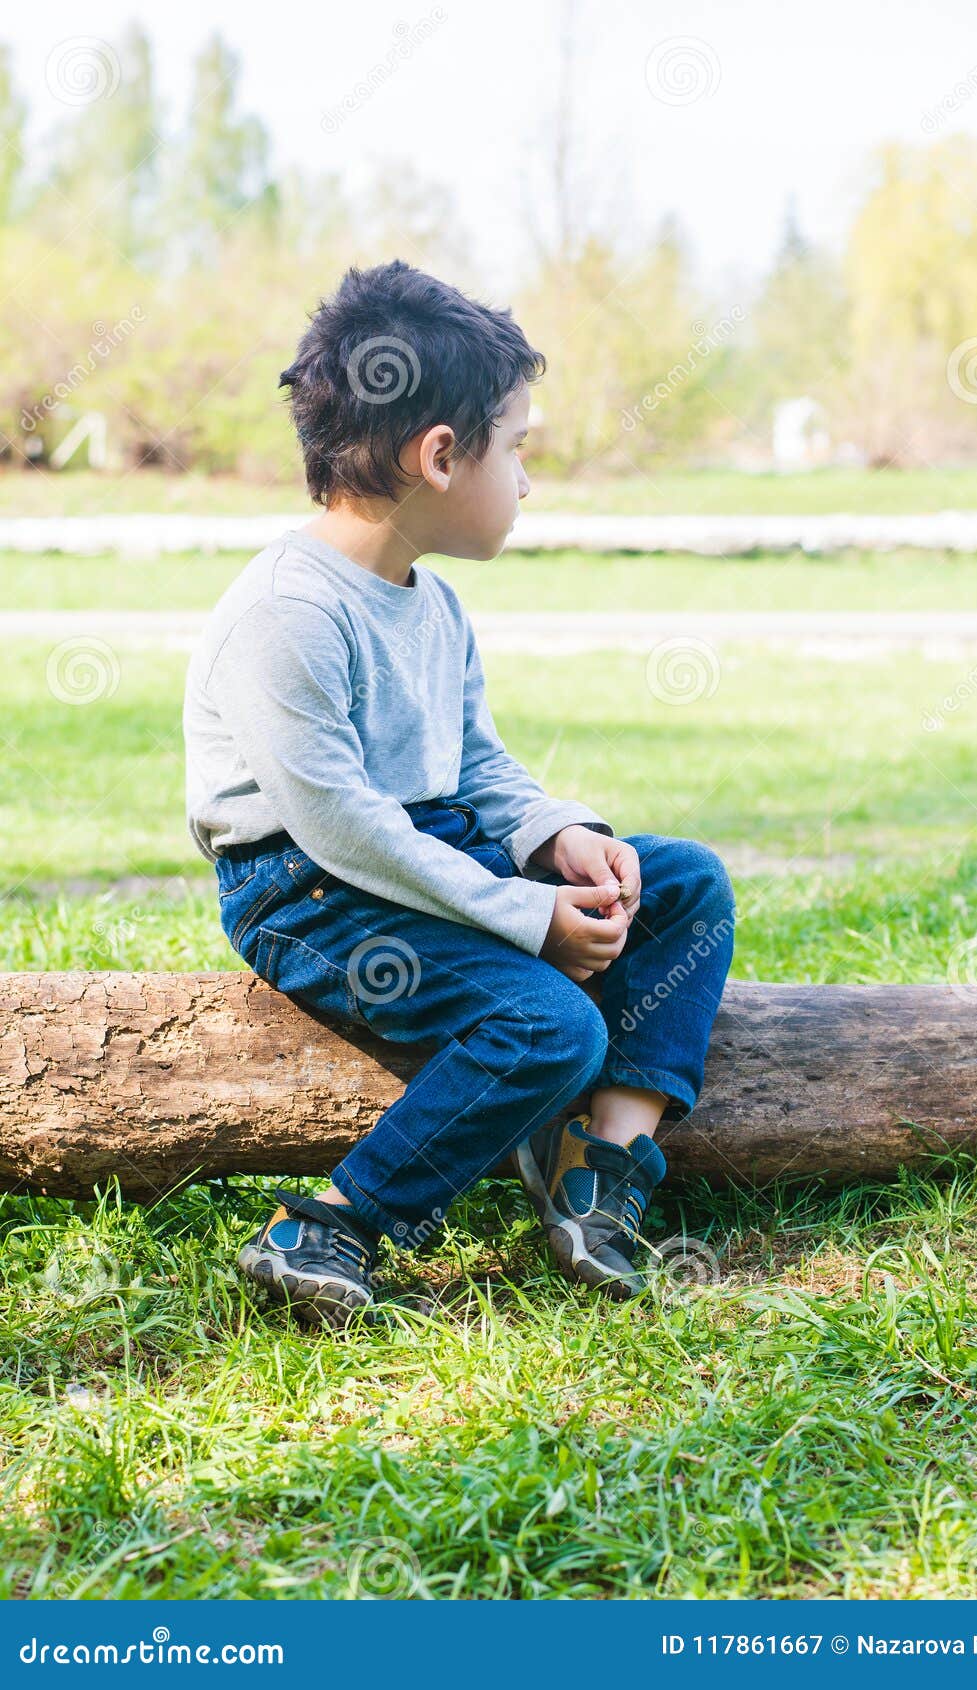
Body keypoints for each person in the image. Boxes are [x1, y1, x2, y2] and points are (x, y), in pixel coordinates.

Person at [182, 260, 736, 1328]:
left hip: (414, 852)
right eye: (517, 446)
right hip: (308, 892)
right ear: (438, 456)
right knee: (548, 1024)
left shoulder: (428, 605)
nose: (526, 478)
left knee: (686, 885)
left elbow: (475, 765)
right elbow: (341, 826)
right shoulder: (286, 613)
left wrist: (557, 838)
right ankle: (334, 1223)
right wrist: (527, 917)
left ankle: (593, 1168)